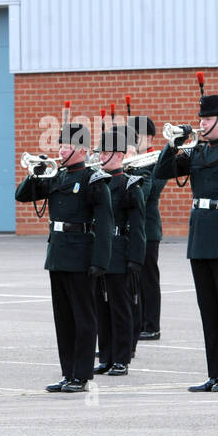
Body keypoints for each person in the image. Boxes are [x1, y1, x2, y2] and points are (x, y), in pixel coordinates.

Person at [154, 77, 218, 393]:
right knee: (209, 311)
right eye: (201, 118)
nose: (202, 123)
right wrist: (172, 144)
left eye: (207, 118)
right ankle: (214, 373)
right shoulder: (197, 152)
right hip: (201, 241)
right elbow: (162, 172)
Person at [15, 120, 112, 393]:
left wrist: (99, 261)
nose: (61, 150)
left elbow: (104, 224)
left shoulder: (93, 180)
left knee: (83, 317)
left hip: (81, 255)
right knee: (63, 318)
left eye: (67, 145)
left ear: (82, 150)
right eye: (60, 144)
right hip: (58, 254)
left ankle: (81, 375)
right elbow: (21, 195)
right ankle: (67, 372)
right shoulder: (57, 176)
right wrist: (35, 174)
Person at [93, 125, 146, 377]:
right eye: (101, 152)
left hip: (121, 251)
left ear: (120, 155)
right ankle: (106, 356)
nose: (101, 156)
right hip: (100, 252)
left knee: (120, 308)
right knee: (101, 307)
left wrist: (136, 259)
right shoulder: (97, 182)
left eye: (107, 152)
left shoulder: (129, 185)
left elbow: (138, 227)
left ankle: (122, 358)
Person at [126, 114, 167, 342]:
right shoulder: (130, 159)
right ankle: (137, 321)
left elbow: (152, 190)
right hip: (129, 228)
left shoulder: (156, 160)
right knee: (132, 278)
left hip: (148, 227)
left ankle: (151, 324)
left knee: (148, 278)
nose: (133, 140)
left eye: (138, 136)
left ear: (150, 137)